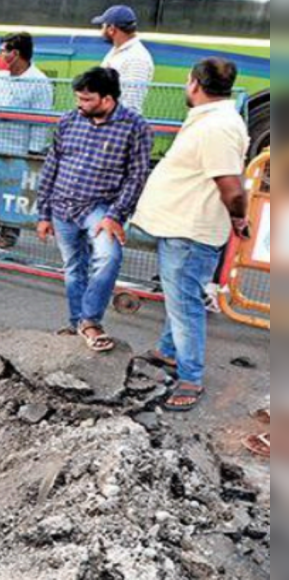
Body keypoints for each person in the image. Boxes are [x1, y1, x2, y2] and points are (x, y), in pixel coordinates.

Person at [132, 58, 250, 412]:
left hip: (190, 231)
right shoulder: (212, 119)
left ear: (195, 83)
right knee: (180, 298)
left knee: (185, 306)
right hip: (182, 226)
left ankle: (190, 378)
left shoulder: (217, 127)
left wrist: (239, 218)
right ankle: (169, 352)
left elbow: (232, 188)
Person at [36, 67, 153, 350]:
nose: (80, 104)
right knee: (74, 268)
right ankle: (79, 323)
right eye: (78, 98)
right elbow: (52, 165)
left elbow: (136, 176)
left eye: (87, 99)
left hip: (100, 209)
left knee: (108, 256)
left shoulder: (135, 126)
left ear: (108, 99)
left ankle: (90, 320)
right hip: (61, 206)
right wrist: (43, 213)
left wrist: (115, 215)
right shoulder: (68, 120)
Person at [0, 32, 54, 157]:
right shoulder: (0, 76)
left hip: (14, 153)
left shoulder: (39, 82)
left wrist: (33, 152)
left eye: (2, 51)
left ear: (15, 54)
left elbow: (41, 122)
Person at [93, 5, 154, 115]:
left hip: (118, 122)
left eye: (103, 26)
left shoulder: (136, 58)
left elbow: (131, 102)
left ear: (111, 29)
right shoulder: (117, 51)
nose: (101, 31)